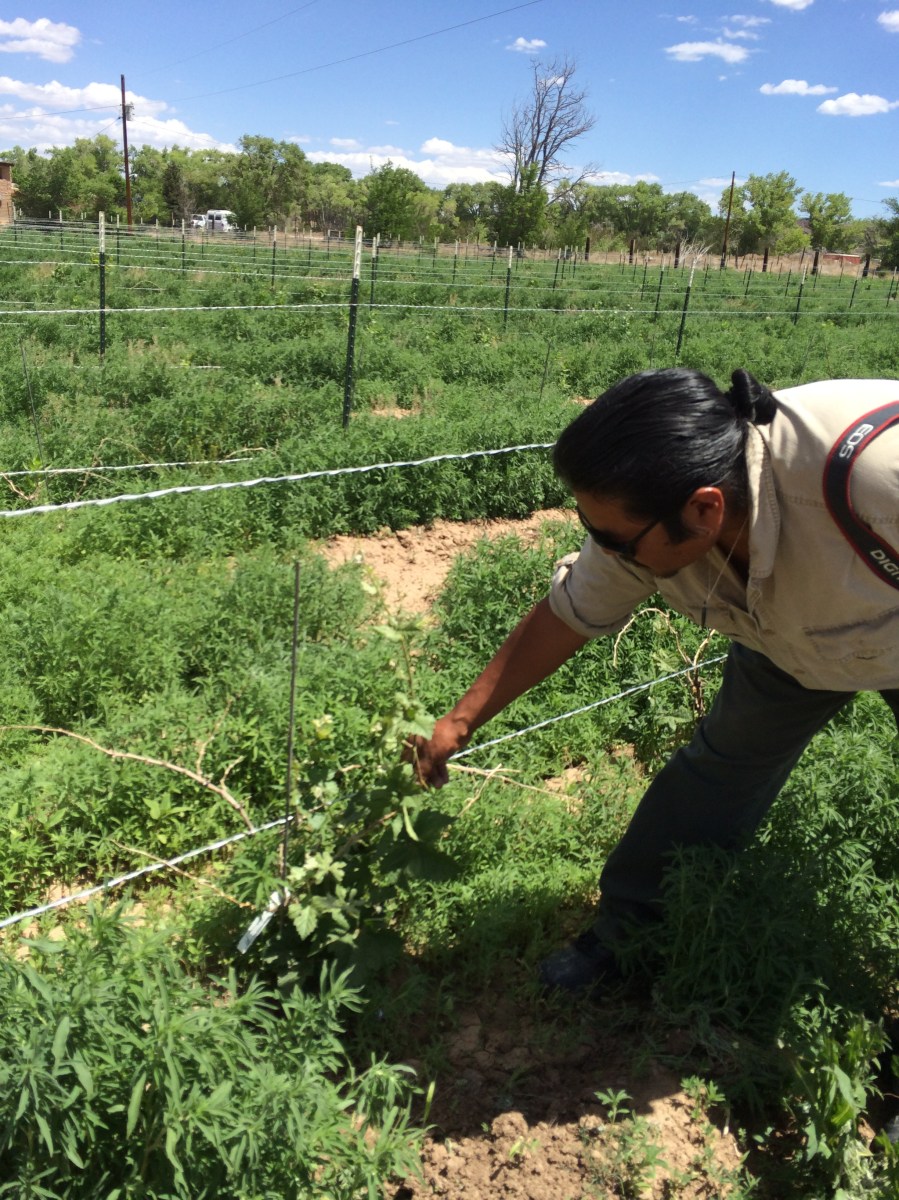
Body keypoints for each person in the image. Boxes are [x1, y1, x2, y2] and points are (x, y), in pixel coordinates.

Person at [407, 367, 899, 998]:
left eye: (610, 537)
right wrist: (460, 719)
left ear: (703, 509)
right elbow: (568, 613)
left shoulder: (871, 480)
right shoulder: (647, 516)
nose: (600, 549)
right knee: (723, 765)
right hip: (796, 638)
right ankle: (627, 933)